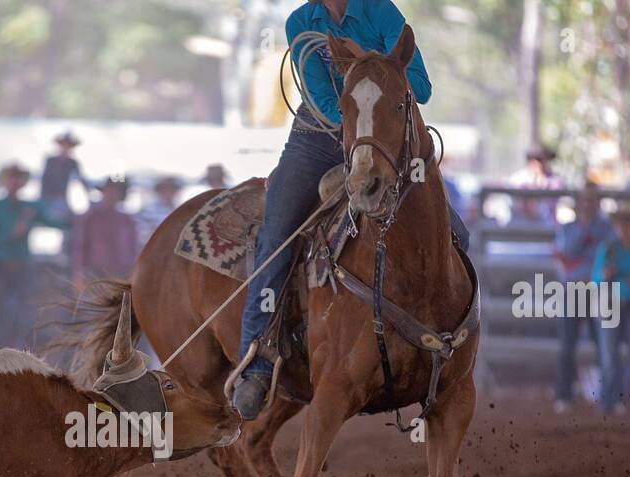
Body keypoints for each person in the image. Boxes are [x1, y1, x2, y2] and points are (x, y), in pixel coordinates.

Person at [232, 0, 469, 420]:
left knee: (455, 234)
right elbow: (324, 101)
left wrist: (372, 81)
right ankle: (259, 359)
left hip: (386, 133)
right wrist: (362, 104)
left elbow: (422, 86)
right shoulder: (301, 23)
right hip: (318, 137)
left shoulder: (378, 10)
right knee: (278, 233)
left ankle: (448, 341)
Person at [0, 162, 66, 347]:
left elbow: (56, 222)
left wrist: (70, 217)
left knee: (24, 310)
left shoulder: (29, 207)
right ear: (4, 181)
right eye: (11, 177)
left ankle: (20, 353)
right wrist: (11, 234)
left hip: (21, 265)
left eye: (17, 178)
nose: (14, 181)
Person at [551, 183, 613, 412]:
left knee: (604, 345)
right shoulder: (567, 229)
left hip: (599, 291)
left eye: (592, 199)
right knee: (567, 345)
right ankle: (564, 395)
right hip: (573, 289)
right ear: (578, 203)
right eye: (584, 199)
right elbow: (560, 259)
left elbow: (609, 257)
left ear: (598, 203)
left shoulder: (607, 228)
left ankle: (607, 397)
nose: (587, 204)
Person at [592, 203, 630, 415]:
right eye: (621, 224)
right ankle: (609, 402)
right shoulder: (607, 249)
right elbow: (595, 279)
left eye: (628, 224)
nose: (625, 228)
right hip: (610, 307)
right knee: (609, 359)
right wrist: (604, 275)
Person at [71, 179, 140, 287]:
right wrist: (79, 272)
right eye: (109, 190)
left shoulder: (128, 220)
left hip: (122, 273)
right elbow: (80, 246)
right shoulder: (90, 217)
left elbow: (133, 248)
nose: (112, 194)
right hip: (96, 273)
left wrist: (135, 272)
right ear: (103, 192)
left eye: (116, 191)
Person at [40, 131, 88, 224]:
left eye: (69, 145)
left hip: (61, 200)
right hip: (46, 198)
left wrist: (90, 196)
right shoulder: (50, 161)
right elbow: (43, 180)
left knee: (72, 220)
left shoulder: (73, 163)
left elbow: (82, 180)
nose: (66, 148)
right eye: (64, 145)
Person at [509, 144, 564, 224]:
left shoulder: (555, 180)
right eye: (535, 159)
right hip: (521, 225)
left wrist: (541, 180)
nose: (539, 163)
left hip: (547, 226)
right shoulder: (518, 178)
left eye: (542, 159)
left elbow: (553, 200)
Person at [137, 176, 183, 244]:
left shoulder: (180, 210)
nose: (169, 192)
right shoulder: (147, 210)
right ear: (159, 190)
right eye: (165, 189)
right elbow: (142, 232)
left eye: (171, 189)